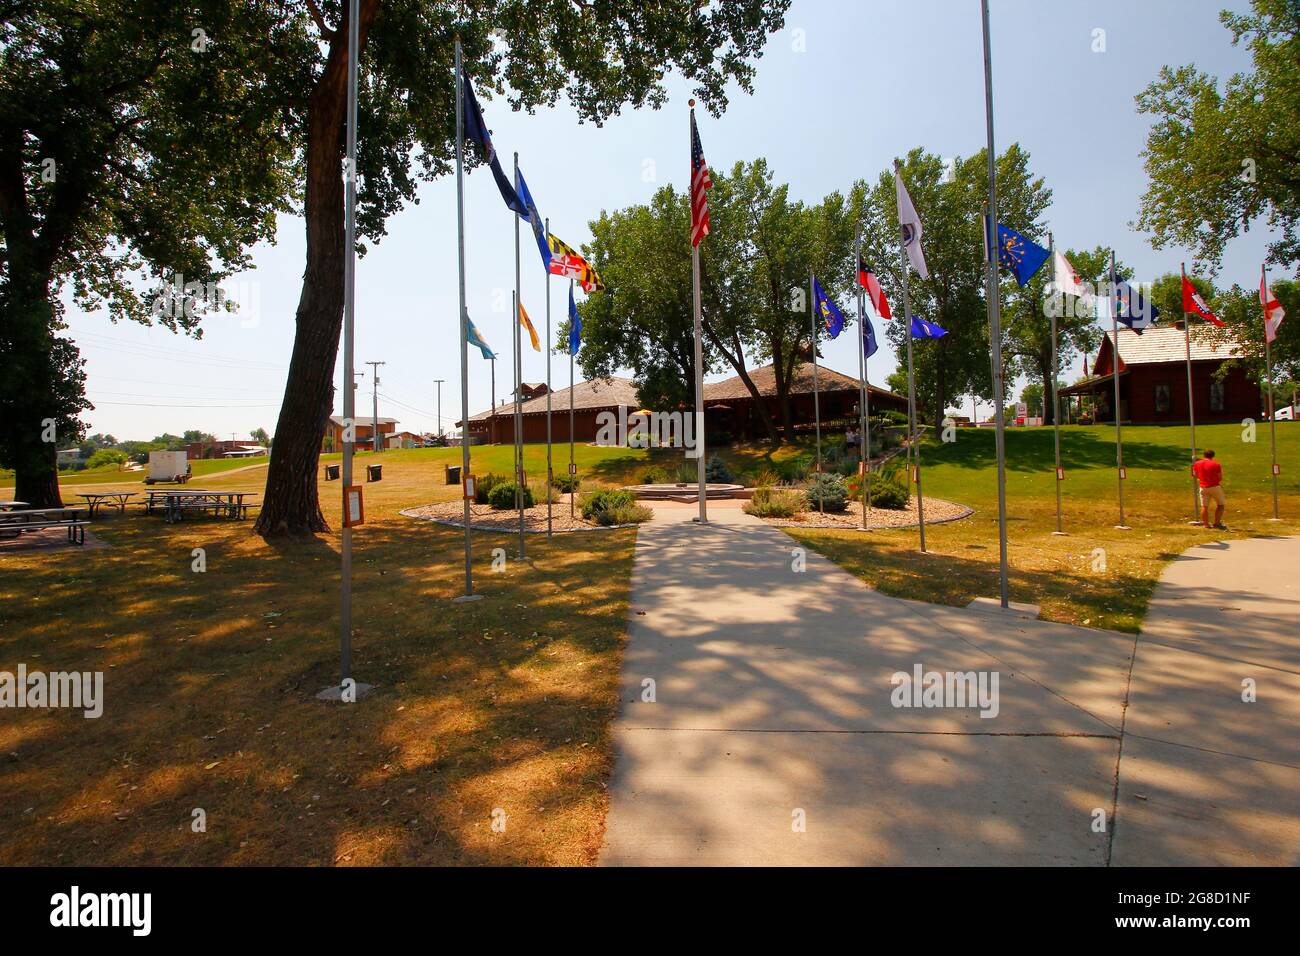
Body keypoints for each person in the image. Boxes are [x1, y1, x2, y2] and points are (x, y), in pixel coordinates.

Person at [1192, 448, 1226, 530]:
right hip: (1214, 486)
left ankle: (1206, 524)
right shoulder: (1216, 465)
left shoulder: (1196, 464)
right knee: (1221, 504)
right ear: (1213, 456)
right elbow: (1220, 477)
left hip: (1203, 487)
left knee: (1204, 506)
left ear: (1204, 455)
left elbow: (1194, 474)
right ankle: (1217, 523)